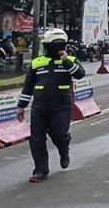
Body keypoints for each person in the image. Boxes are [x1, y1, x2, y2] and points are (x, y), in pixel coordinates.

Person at [15, 28, 85, 183]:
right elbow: (28, 87)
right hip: (39, 107)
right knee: (36, 138)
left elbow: (80, 74)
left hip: (61, 106)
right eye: (56, 45)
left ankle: (63, 149)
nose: (60, 47)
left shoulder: (71, 61)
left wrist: (65, 60)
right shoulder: (36, 63)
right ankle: (40, 170)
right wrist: (21, 106)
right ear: (46, 45)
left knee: (59, 134)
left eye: (62, 44)